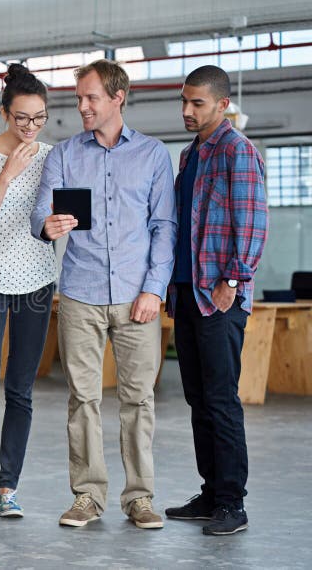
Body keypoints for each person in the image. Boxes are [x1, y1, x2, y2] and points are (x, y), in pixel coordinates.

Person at [31, 59, 176, 530]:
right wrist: (46, 225)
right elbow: (41, 211)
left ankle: (140, 498)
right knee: (83, 398)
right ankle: (87, 496)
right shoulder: (65, 154)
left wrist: (154, 290)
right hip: (80, 292)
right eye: (78, 98)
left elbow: (164, 229)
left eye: (91, 97)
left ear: (118, 98)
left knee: (138, 400)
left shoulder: (153, 155)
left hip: (138, 296)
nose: (82, 107)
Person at [165, 65, 268, 536]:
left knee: (222, 400)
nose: (187, 111)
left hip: (219, 296)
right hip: (187, 294)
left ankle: (232, 502)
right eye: (184, 101)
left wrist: (233, 279)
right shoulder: (190, 156)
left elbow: (251, 222)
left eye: (198, 103)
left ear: (222, 104)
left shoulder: (236, 151)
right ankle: (210, 494)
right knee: (197, 398)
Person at [0, 63, 57, 518]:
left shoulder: (52, 155)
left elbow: (54, 219)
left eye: (39, 118)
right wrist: (8, 172)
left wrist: (60, 225)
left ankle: (8, 488)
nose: (31, 127)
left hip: (37, 282)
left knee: (21, 389)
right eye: (22, 118)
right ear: (5, 113)